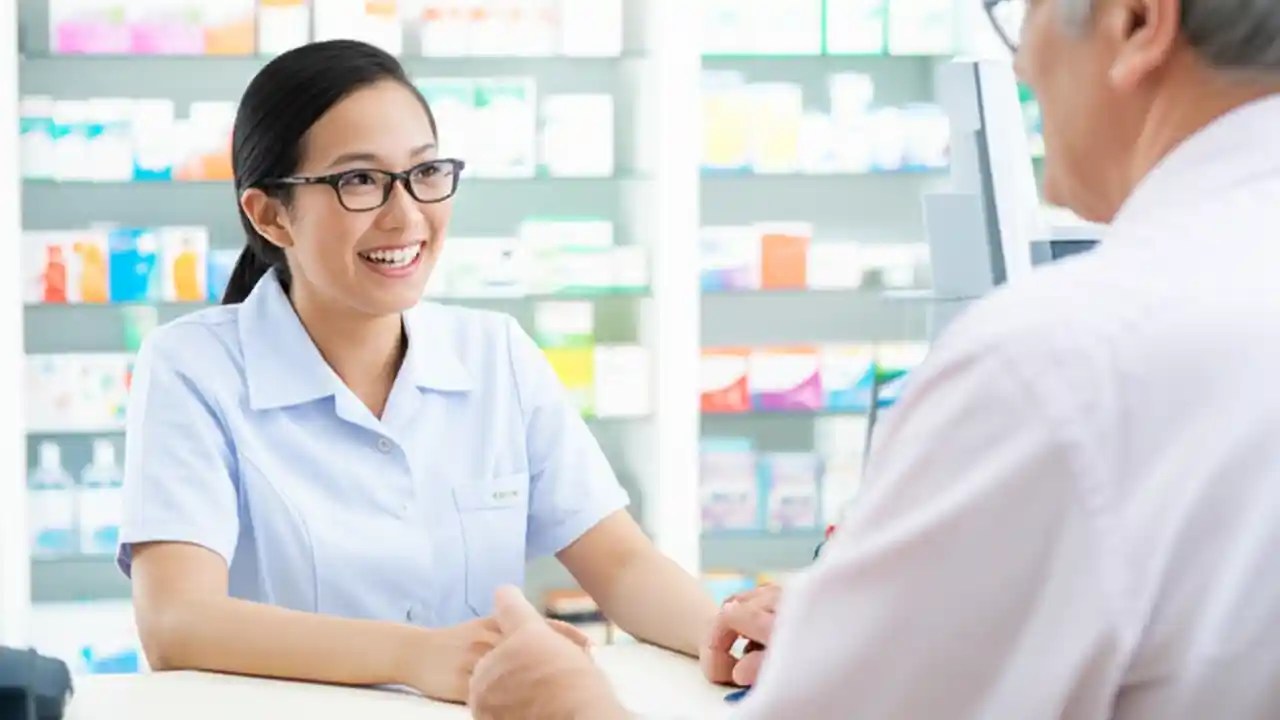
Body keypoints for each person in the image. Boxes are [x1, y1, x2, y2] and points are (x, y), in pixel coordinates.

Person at [469, 0, 1280, 717]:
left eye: (1024, 12)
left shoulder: (1058, 361)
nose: (1023, 62)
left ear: (1137, 21)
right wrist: (872, 629)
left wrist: (564, 709)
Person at [118, 39, 716, 704]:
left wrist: (722, 632)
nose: (406, 216)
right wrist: (417, 655)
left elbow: (623, 565)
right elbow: (177, 621)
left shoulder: (496, 353)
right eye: (359, 181)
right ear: (269, 214)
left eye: (425, 172)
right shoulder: (193, 366)